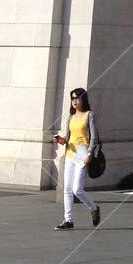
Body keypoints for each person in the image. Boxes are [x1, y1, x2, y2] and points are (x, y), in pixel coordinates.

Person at [54, 86, 101, 230]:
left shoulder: (89, 115)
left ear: (83, 99)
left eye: (77, 98)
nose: (74, 101)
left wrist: (89, 154)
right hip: (70, 154)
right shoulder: (71, 117)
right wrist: (62, 141)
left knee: (77, 190)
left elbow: (94, 137)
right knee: (67, 189)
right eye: (72, 98)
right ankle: (68, 220)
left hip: (82, 155)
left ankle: (93, 208)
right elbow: (69, 138)